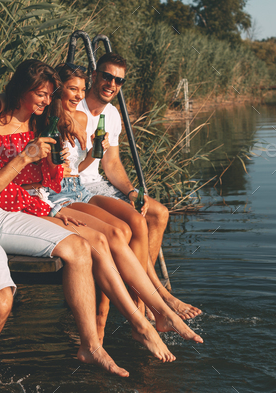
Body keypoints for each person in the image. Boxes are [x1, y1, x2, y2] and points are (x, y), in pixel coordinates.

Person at [0, 59, 130, 393]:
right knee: (1, 302)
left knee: (78, 247)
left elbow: (23, 94)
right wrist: (25, 157)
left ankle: (90, 345)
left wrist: (65, 114)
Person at [0, 60, 204, 348]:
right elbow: (34, 179)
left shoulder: (58, 119)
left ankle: (151, 309)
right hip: (43, 200)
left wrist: (91, 160)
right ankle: (141, 316)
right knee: (114, 234)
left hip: (50, 195)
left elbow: (87, 166)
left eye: (51, 95)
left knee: (138, 222)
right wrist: (47, 168)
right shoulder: (26, 121)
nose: (52, 99)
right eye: (56, 92)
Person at [77, 53, 202, 320]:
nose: (112, 84)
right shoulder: (73, 107)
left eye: (119, 81)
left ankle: (139, 292)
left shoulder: (111, 114)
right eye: (107, 76)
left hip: (98, 184)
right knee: (133, 222)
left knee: (159, 213)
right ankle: (151, 299)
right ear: (94, 75)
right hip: (76, 188)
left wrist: (132, 191)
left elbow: (111, 165)